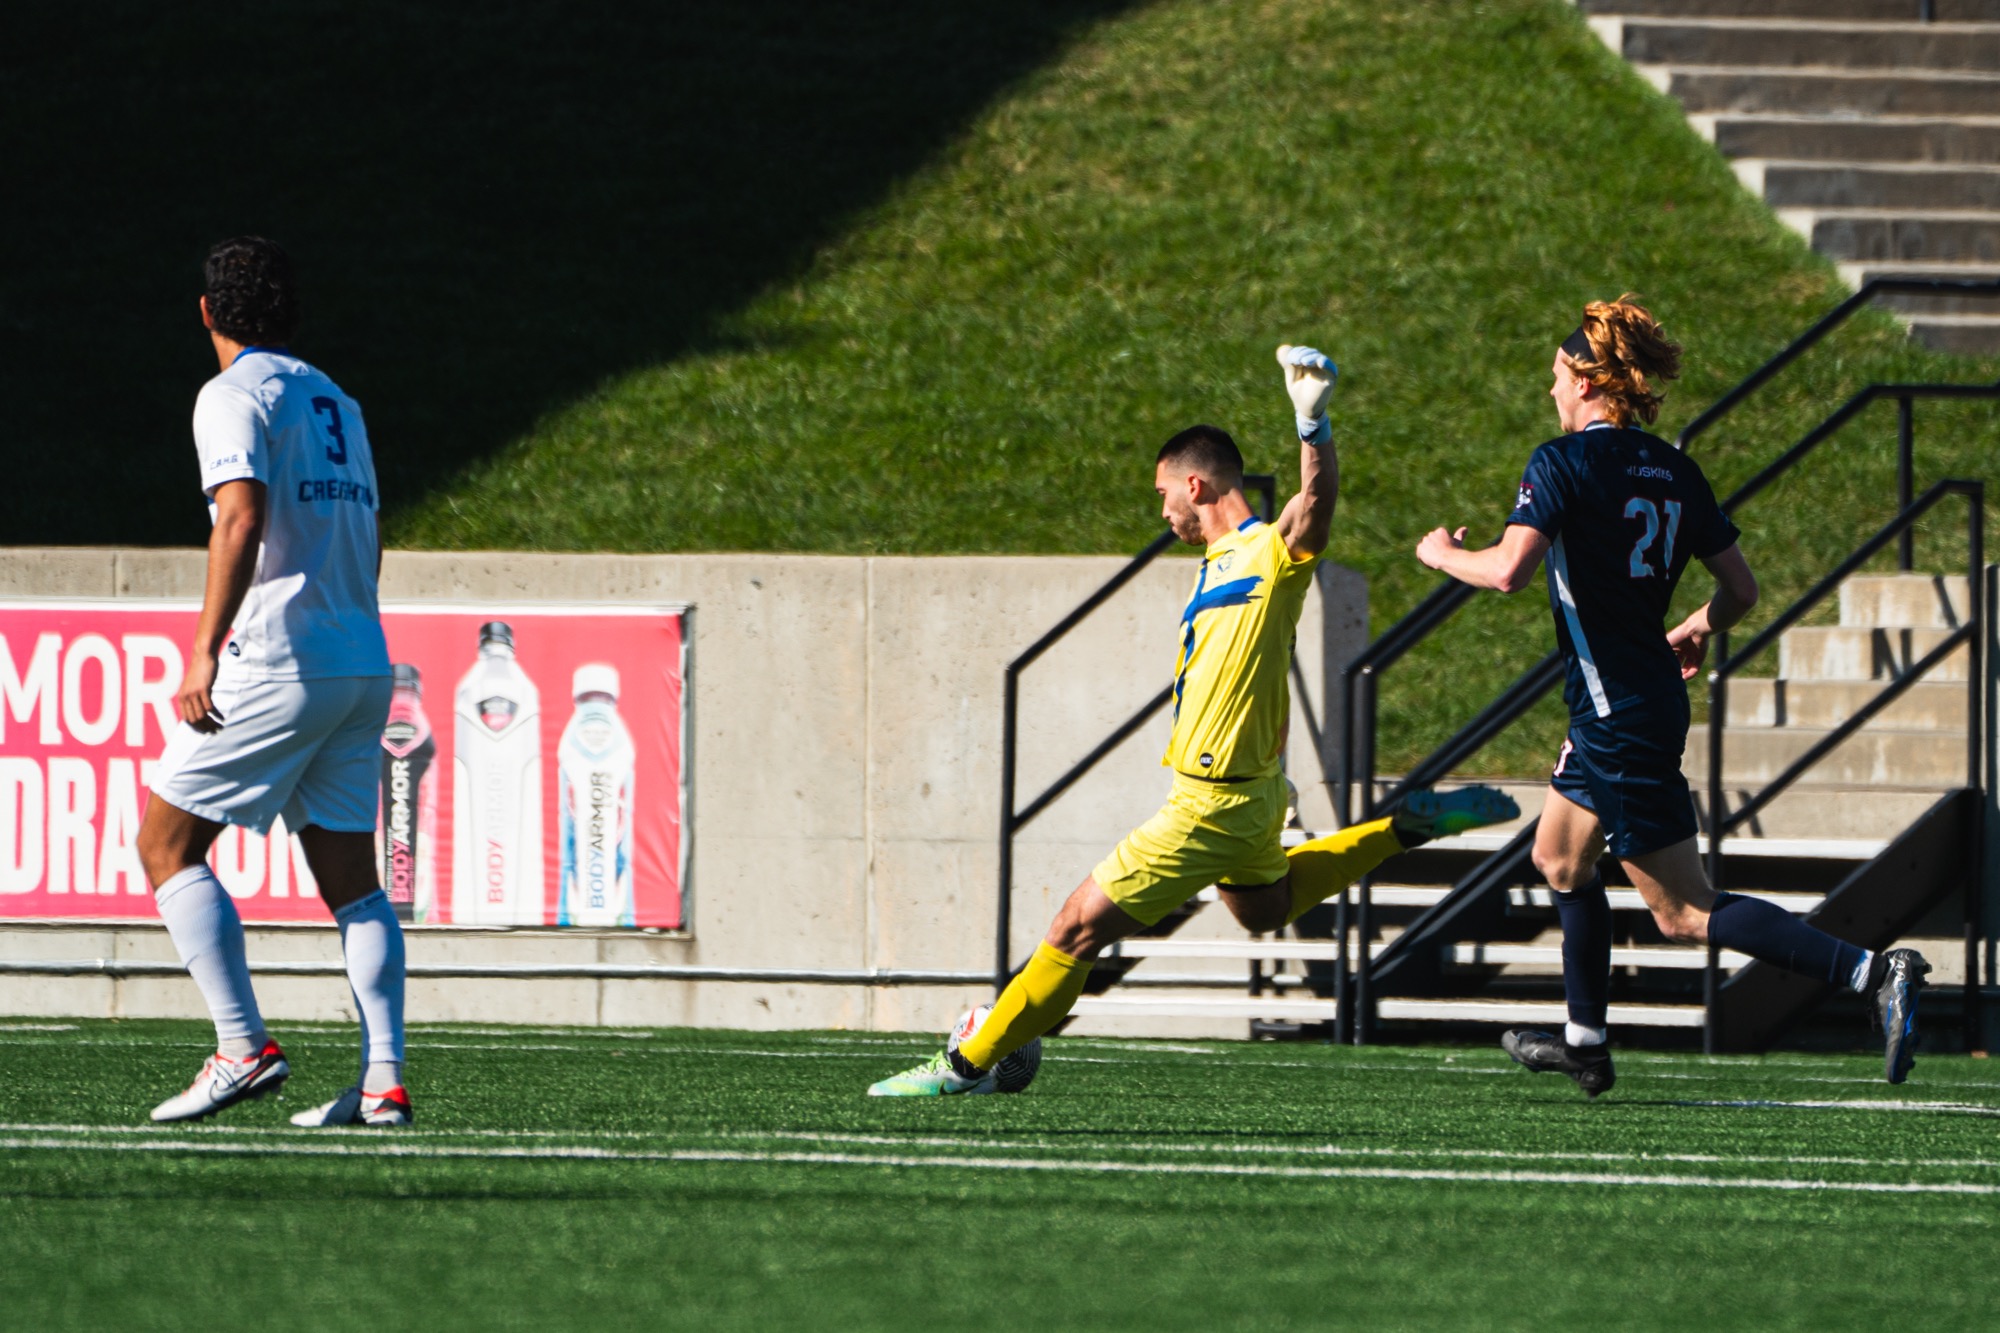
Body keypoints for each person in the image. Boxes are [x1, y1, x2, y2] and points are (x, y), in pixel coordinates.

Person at [869, 347, 1520, 1096]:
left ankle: (961, 1067)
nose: (1162, 511)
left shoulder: (1266, 551)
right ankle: (1404, 827)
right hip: (1249, 797)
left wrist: (1313, 423)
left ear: (1193, 483)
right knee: (1262, 907)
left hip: (1208, 801)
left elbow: (1315, 507)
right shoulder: (1215, 561)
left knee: (1073, 929)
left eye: (1162, 495)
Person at [1414, 295, 1929, 1096]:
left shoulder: (1561, 462)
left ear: (1587, 382)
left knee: (1683, 910)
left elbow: (1509, 570)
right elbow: (1742, 588)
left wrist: (1443, 552)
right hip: (1627, 702)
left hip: (1617, 712)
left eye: (1556, 376)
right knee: (1557, 858)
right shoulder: (1675, 469)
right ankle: (1586, 1041)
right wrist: (1692, 625)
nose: (1550, 391)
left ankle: (1871, 971)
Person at [137, 237, 413, 1127]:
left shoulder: (229, 394)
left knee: (166, 845)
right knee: (353, 883)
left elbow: (241, 516)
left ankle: (241, 1046)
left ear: (209, 312)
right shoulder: (338, 397)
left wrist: (204, 647)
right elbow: (362, 528)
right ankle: (382, 1081)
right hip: (359, 658)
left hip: (279, 658)